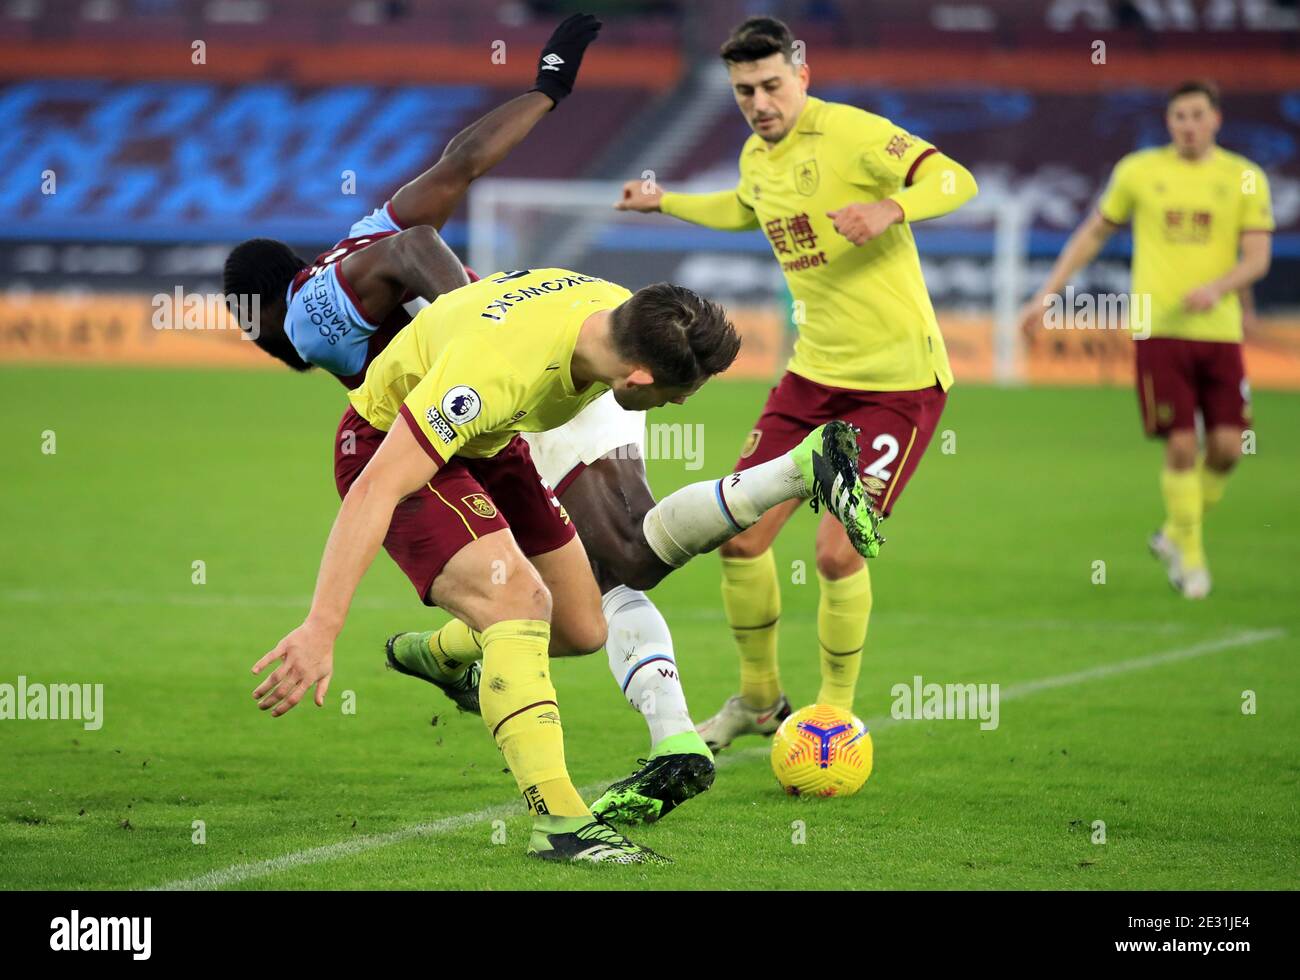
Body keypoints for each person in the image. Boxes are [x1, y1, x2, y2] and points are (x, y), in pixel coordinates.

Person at [615, 15, 977, 750]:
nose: (759, 101)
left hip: (897, 384)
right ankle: (757, 701)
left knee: (837, 552)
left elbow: (955, 178)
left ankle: (833, 715)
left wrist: (890, 206)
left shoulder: (851, 134)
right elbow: (743, 208)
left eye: (771, 84)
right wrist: (669, 202)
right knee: (738, 538)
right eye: (745, 89)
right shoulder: (757, 156)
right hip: (811, 378)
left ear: (802, 75)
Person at [1019, 79, 1273, 599]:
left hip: (1219, 332)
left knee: (1227, 448)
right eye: (1179, 116)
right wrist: (1048, 294)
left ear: (1216, 119)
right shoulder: (1140, 172)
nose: (1189, 125)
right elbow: (1094, 232)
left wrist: (1224, 292)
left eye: (1198, 115)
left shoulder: (1245, 179)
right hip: (1158, 329)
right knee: (1180, 443)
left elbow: (1256, 258)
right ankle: (1192, 560)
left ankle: (1174, 533)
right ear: (1169, 122)